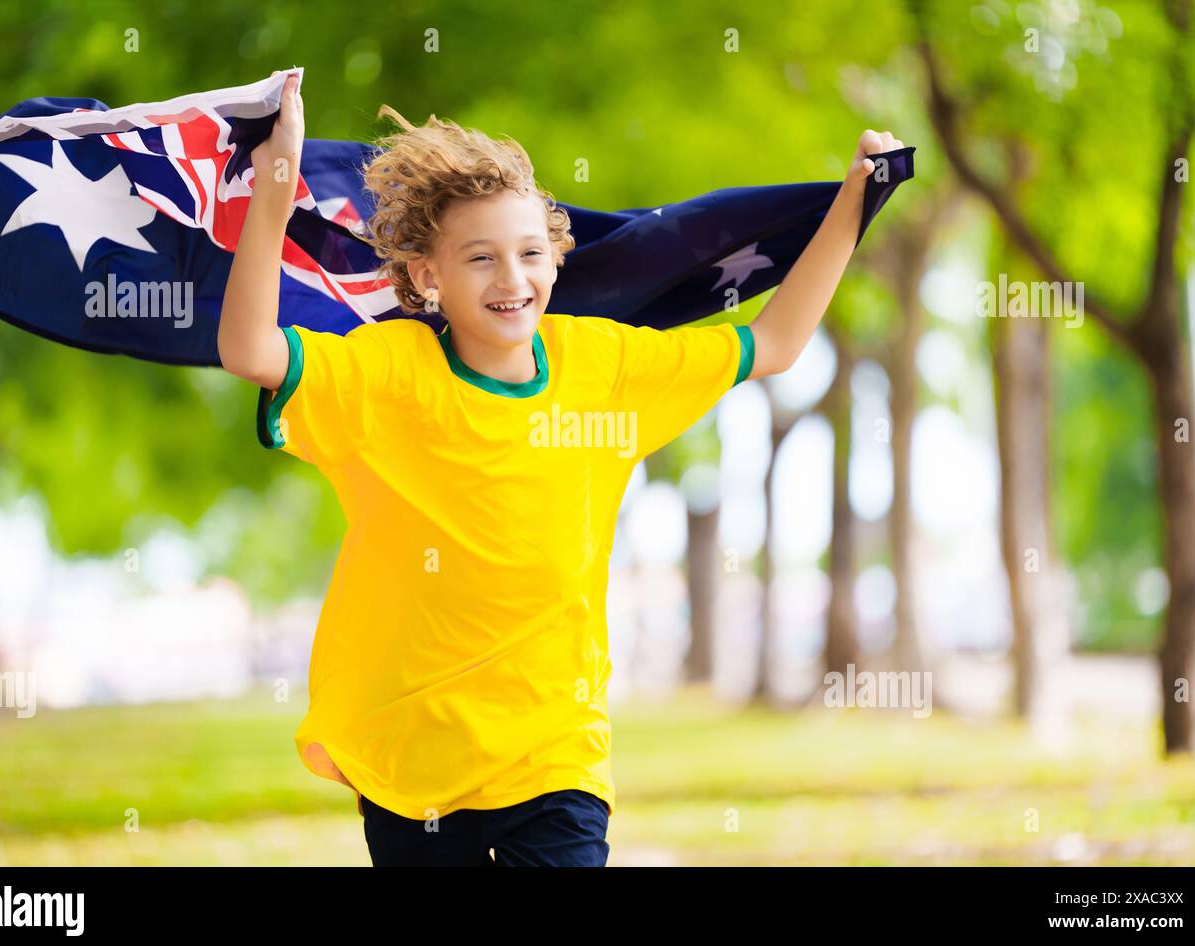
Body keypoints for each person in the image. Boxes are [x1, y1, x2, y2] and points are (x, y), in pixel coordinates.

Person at [218, 71, 902, 866]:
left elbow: (775, 343)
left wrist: (857, 197)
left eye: (530, 254)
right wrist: (273, 187)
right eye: (480, 259)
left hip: (556, 750)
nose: (512, 280)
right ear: (429, 277)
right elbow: (249, 350)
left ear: (555, 258)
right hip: (413, 754)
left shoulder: (601, 363)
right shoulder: (389, 374)